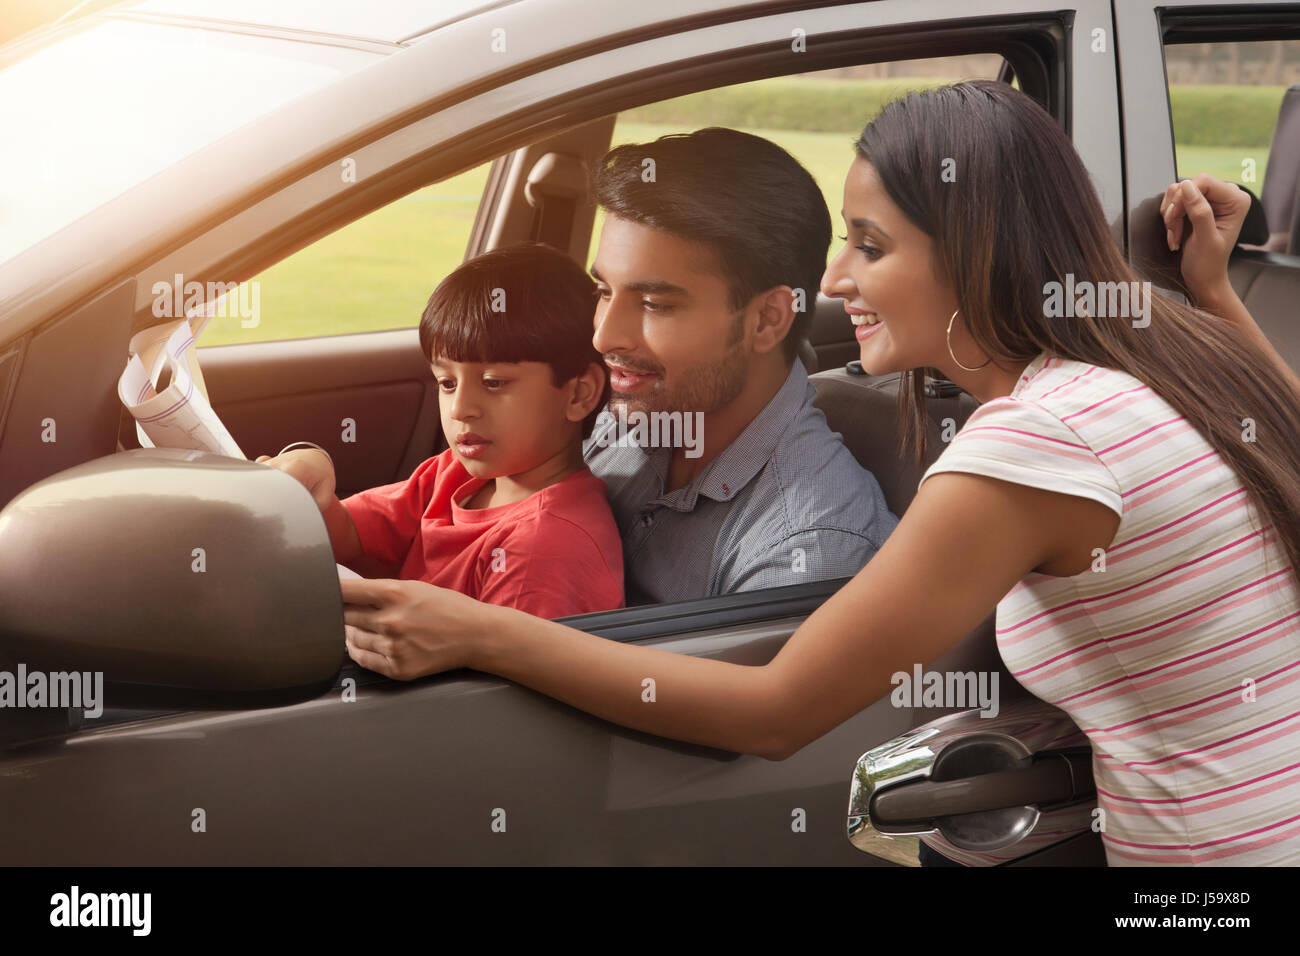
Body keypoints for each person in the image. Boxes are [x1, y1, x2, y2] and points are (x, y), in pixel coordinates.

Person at [341, 82, 1300, 866]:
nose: (836, 281)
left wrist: (479, 635)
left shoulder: (1030, 446)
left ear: (974, 257)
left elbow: (774, 710)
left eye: (870, 247)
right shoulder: (1161, 353)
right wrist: (1211, 291)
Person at [582, 127, 898, 603]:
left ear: (767, 320)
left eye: (654, 304)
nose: (604, 336)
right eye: (605, 291)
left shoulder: (806, 550)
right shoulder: (642, 408)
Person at [260, 242, 624, 620]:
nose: (460, 408)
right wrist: (307, 471)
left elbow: (510, 671)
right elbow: (346, 537)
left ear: (579, 394)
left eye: (495, 382)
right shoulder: (451, 475)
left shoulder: (546, 546)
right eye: (447, 383)